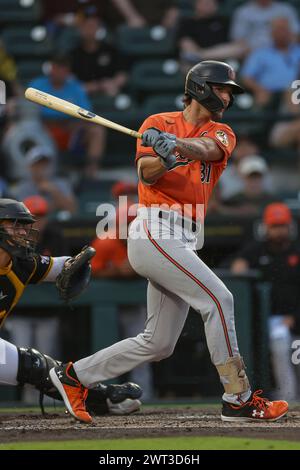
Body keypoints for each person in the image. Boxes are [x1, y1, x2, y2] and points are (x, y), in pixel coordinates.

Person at [49, 60, 288, 424]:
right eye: (222, 88)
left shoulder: (223, 132)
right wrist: (163, 154)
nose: (226, 95)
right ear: (201, 88)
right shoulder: (155, 123)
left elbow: (208, 149)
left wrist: (176, 147)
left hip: (184, 237)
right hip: (155, 230)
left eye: (228, 91)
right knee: (219, 300)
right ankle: (238, 398)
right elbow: (146, 173)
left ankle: (73, 377)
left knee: (158, 342)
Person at [0, 198, 142, 416]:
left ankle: (104, 399)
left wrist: (73, 264)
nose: (22, 232)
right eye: (15, 225)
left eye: (24, 225)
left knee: (40, 368)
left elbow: (62, 265)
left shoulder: (23, 265)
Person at [231, 203, 300, 401]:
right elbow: (237, 266)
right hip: (269, 319)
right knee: (279, 338)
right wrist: (240, 266)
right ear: (266, 228)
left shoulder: (297, 250)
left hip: (294, 316)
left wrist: (294, 317)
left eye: (282, 226)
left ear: (290, 227)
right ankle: (288, 395)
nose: (278, 231)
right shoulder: (257, 249)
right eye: (274, 226)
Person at [29, 55, 105, 178]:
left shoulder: (75, 87)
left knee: (97, 130)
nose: (60, 72)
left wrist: (75, 125)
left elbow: (87, 114)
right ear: (51, 68)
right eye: (57, 67)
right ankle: (34, 173)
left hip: (70, 129)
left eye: (63, 68)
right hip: (44, 129)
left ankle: (91, 172)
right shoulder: (38, 85)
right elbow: (29, 111)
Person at [241, 17, 300, 109]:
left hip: (294, 92)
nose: (282, 33)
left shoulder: (298, 51)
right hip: (268, 92)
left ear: (290, 32)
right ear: (271, 33)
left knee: (293, 95)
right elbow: (247, 78)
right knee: (262, 98)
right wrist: (259, 89)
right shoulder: (260, 53)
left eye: (284, 29)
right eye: (278, 30)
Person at [13, 146, 77, 215]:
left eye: (45, 164)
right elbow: (27, 214)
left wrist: (54, 191)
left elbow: (73, 209)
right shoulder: (23, 187)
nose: (41, 167)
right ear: (30, 167)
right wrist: (54, 205)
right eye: (38, 164)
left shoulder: (61, 183)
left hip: (60, 224)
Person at [230, 0, 300, 52]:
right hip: (251, 50)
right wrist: (255, 51)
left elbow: (295, 35)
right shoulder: (243, 11)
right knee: (222, 51)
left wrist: (282, 47)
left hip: (282, 47)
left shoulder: (285, 9)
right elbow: (238, 39)